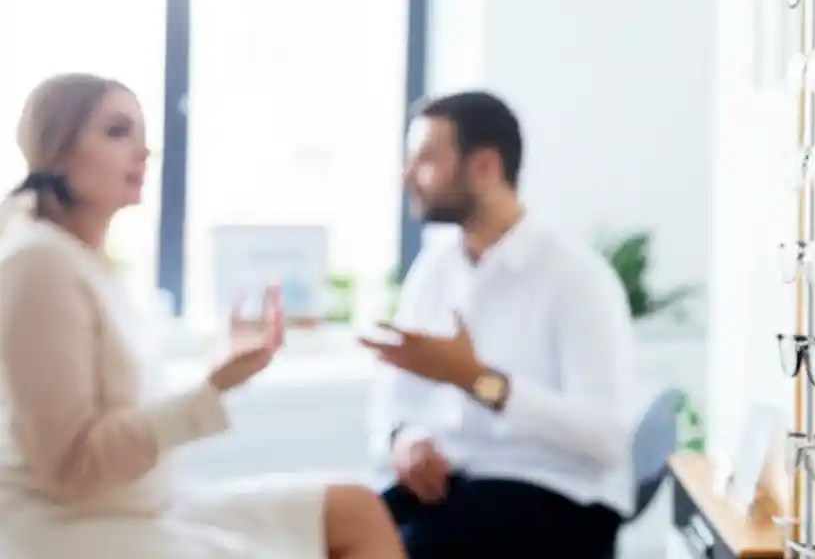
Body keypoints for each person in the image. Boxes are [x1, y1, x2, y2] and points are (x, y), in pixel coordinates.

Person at [0, 73, 406, 559]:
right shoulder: (39, 264)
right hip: (73, 529)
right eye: (116, 131)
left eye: (142, 133)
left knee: (354, 510)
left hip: (146, 509)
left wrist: (217, 377)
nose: (144, 151)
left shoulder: (89, 264)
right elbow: (70, 469)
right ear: (57, 151)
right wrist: (211, 389)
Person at [359, 91, 637, 558]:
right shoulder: (434, 268)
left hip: (555, 495)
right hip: (453, 486)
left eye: (426, 159)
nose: (408, 177)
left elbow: (607, 440)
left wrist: (478, 381)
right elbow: (392, 403)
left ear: (485, 167)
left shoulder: (576, 277)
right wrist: (405, 440)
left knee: (416, 548)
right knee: (344, 528)